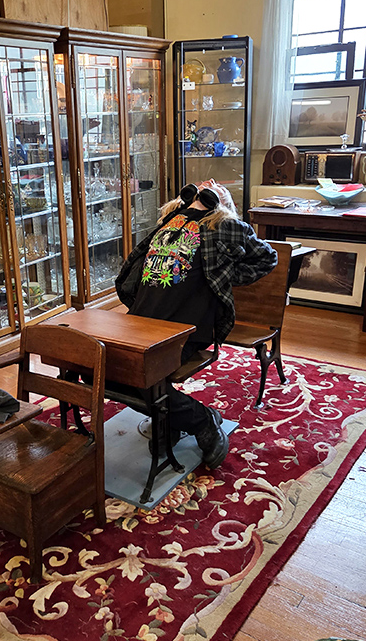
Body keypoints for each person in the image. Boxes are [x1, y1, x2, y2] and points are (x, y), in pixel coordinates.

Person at [115, 179, 277, 468]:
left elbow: (268, 257)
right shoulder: (170, 221)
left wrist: (225, 276)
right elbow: (132, 267)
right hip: (141, 326)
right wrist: (184, 209)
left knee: (140, 376)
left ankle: (199, 422)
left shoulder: (224, 226)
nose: (211, 182)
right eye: (205, 184)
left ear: (222, 202)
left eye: (216, 187)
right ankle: (184, 418)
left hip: (183, 331)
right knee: (99, 371)